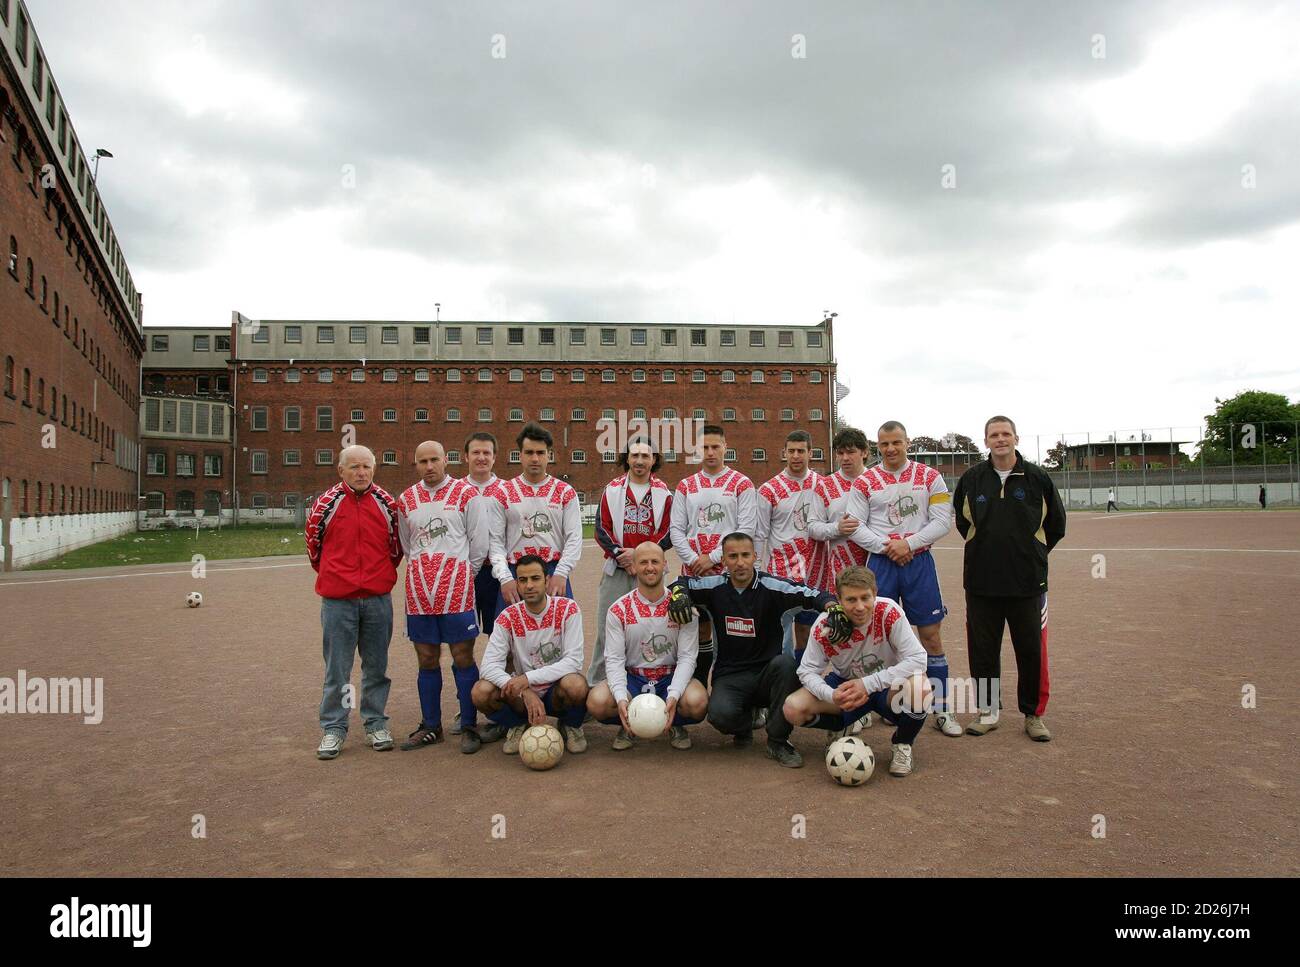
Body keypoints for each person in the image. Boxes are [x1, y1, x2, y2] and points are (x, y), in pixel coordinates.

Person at [668, 532, 850, 768]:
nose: (740, 562)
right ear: (723, 560)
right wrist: (678, 595)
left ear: (755, 556)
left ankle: (777, 741)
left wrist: (833, 607)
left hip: (770, 675)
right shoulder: (714, 587)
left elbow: (815, 595)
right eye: (733, 556)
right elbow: (681, 583)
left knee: (786, 664)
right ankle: (745, 724)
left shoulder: (774, 587)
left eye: (745, 555)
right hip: (730, 674)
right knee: (720, 716)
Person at [953, 415, 1067, 742]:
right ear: (986, 440)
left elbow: (1056, 525)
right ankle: (988, 712)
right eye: (994, 435)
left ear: (1016, 437)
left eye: (1005, 434)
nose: (1000, 439)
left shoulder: (1037, 478)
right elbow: (964, 524)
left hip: (1027, 582)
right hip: (981, 581)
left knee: (1031, 650)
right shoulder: (973, 479)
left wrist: (1034, 551)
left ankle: (1033, 715)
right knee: (983, 650)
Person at [843, 422, 960, 737]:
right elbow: (854, 525)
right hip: (881, 564)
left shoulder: (930, 478)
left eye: (896, 442)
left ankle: (942, 707)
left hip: (918, 562)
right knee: (872, 636)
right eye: (884, 444)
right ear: (877, 446)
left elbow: (941, 522)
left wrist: (908, 544)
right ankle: (870, 704)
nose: (891, 449)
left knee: (930, 635)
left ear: (907, 442)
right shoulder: (866, 481)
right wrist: (889, 546)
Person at [395, 441, 504, 755]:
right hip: (419, 593)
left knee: (462, 656)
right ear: (415, 464)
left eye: (434, 460)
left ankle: (468, 723)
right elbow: (408, 545)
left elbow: (478, 543)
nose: (429, 466)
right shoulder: (407, 500)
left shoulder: (465, 494)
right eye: (422, 461)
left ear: (446, 460)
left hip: (456, 591)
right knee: (426, 657)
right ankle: (432, 726)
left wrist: (459, 574)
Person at [305, 445, 403, 760]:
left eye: (366, 467)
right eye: (354, 467)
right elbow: (313, 547)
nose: (361, 473)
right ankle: (334, 728)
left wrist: (375, 577)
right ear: (341, 471)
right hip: (338, 602)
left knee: (377, 667)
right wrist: (340, 578)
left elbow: (395, 548)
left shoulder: (387, 504)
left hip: (377, 599)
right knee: (338, 669)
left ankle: (375, 723)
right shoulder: (325, 504)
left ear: (373, 470)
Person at [783, 566, 930, 777]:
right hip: (846, 688)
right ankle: (842, 725)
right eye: (851, 600)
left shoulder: (888, 611)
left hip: (886, 687)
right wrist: (831, 695)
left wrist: (867, 684)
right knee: (793, 709)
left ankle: (903, 744)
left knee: (921, 688)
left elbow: (918, 659)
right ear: (839, 600)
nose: (860, 607)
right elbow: (807, 671)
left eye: (865, 598)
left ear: (875, 594)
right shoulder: (825, 625)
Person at [587, 543, 709, 750]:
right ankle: (628, 723)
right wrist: (620, 697)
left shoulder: (682, 607)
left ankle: (675, 725)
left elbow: (688, 657)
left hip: (669, 676)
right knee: (596, 702)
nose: (650, 567)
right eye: (643, 562)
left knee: (697, 701)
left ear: (665, 566)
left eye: (655, 562)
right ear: (633, 567)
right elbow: (615, 659)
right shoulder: (618, 609)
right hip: (633, 678)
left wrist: (674, 694)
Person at [471, 555, 590, 754]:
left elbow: (573, 662)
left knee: (576, 685)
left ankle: (571, 725)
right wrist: (524, 690)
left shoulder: (567, 609)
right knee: (480, 692)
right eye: (523, 580)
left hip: (556, 689)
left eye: (535, 578)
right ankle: (517, 724)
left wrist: (527, 678)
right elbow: (488, 667)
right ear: (517, 583)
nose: (529, 586)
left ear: (548, 580)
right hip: (521, 694)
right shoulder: (507, 617)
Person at [669, 424, 758, 688]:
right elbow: (676, 528)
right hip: (694, 568)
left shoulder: (741, 483)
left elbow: (746, 528)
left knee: (733, 628)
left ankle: (730, 687)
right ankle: (697, 686)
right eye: (704, 448)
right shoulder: (686, 485)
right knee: (699, 628)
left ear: (725, 448)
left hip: (729, 568)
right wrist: (693, 560)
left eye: (715, 447)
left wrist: (715, 557)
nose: (710, 452)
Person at [588, 438, 674, 685]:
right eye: (634, 455)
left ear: (654, 460)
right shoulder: (612, 489)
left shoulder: (663, 493)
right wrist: (621, 555)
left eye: (645, 456)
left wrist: (638, 556)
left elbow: (669, 532)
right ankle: (597, 684)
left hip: (651, 570)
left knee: (654, 627)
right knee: (607, 628)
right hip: (617, 568)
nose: (639, 461)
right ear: (626, 458)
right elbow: (601, 529)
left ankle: (655, 685)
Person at [486, 423, 582, 612]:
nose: (535, 458)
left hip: (553, 571)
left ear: (549, 455)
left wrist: (562, 572)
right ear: (520, 455)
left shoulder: (565, 492)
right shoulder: (502, 493)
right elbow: (495, 541)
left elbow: (574, 538)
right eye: (529, 452)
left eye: (540, 452)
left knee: (558, 635)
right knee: (510, 636)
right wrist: (505, 578)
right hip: (516, 574)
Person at [754, 429, 825, 660]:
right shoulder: (768, 489)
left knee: (809, 629)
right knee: (781, 631)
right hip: (780, 572)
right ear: (784, 453)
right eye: (791, 451)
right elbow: (760, 534)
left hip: (814, 570)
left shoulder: (822, 485)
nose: (796, 456)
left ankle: (803, 675)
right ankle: (783, 676)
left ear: (810, 453)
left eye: (801, 451)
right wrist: (756, 570)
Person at [459, 431, 505, 738]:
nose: (481, 458)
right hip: (462, 577)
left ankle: (500, 707)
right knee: (462, 645)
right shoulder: (456, 490)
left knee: (499, 640)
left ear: (494, 457)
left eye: (487, 453)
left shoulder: (504, 490)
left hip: (495, 573)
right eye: (476, 452)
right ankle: (466, 708)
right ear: (466, 456)